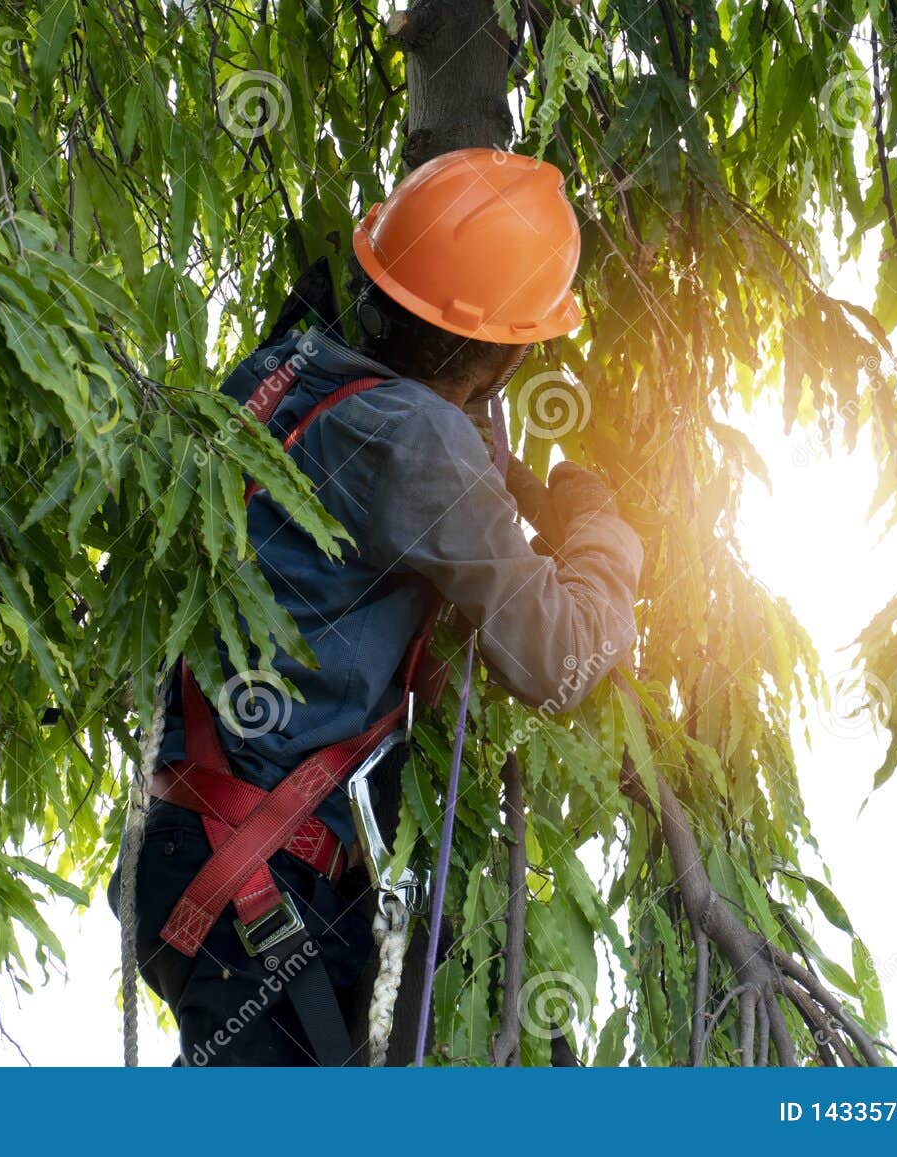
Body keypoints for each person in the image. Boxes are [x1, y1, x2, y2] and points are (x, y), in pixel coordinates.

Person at [109, 148, 643, 1065]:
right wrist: (599, 533)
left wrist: (512, 480)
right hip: (259, 878)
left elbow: (410, 459)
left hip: (202, 850)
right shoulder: (417, 439)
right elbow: (563, 655)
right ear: (503, 353)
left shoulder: (284, 368)